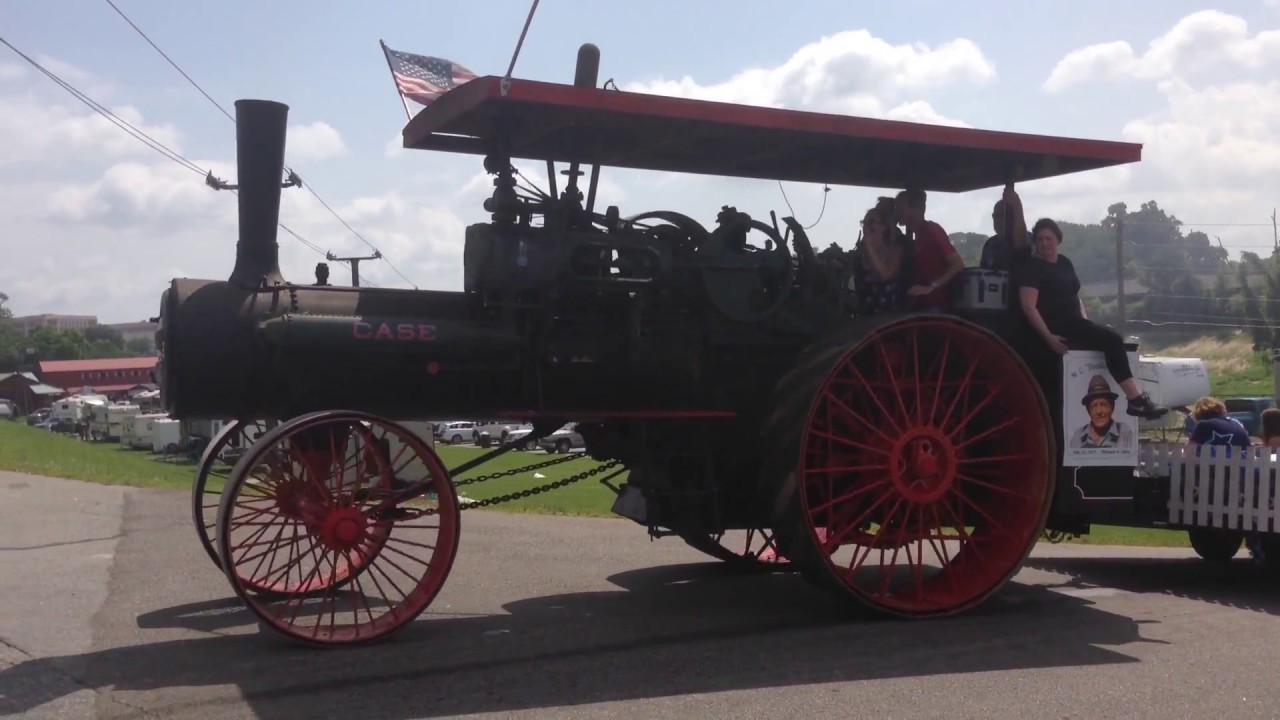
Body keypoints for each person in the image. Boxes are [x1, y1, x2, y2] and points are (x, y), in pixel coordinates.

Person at [1014, 217, 1168, 419]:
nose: (1044, 243)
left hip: (1075, 322)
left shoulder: (1065, 263)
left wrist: (1087, 322)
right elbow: (1028, 305)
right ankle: (1136, 400)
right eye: (1040, 239)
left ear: (1058, 240)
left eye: (1048, 238)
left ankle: (1134, 398)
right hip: (1056, 325)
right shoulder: (1032, 268)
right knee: (1113, 339)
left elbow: (1074, 295)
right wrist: (1048, 337)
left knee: (1111, 340)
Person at [894, 188, 964, 312]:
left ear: (914, 208)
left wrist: (931, 287)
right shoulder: (917, 236)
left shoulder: (932, 230)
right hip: (922, 305)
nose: (896, 210)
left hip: (938, 306)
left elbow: (957, 264)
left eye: (900, 206)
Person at [850, 203, 909, 314]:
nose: (866, 226)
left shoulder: (895, 251)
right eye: (864, 222)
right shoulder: (861, 254)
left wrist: (870, 247)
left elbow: (885, 275)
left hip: (887, 316)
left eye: (871, 222)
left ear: (884, 227)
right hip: (863, 313)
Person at [1068, 374, 1134, 449]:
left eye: (1103, 404)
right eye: (1094, 406)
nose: (1099, 411)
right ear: (1088, 411)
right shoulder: (1078, 437)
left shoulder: (1124, 433)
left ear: (1112, 407)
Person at [979, 185, 1032, 272]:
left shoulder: (1029, 239)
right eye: (994, 216)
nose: (997, 220)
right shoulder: (990, 244)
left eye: (1000, 216)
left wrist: (1017, 206)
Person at [1183, 396, 1251, 452]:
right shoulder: (1236, 423)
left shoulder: (1203, 425)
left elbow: (1189, 451)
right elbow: (1249, 448)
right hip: (1240, 466)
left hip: (1210, 466)